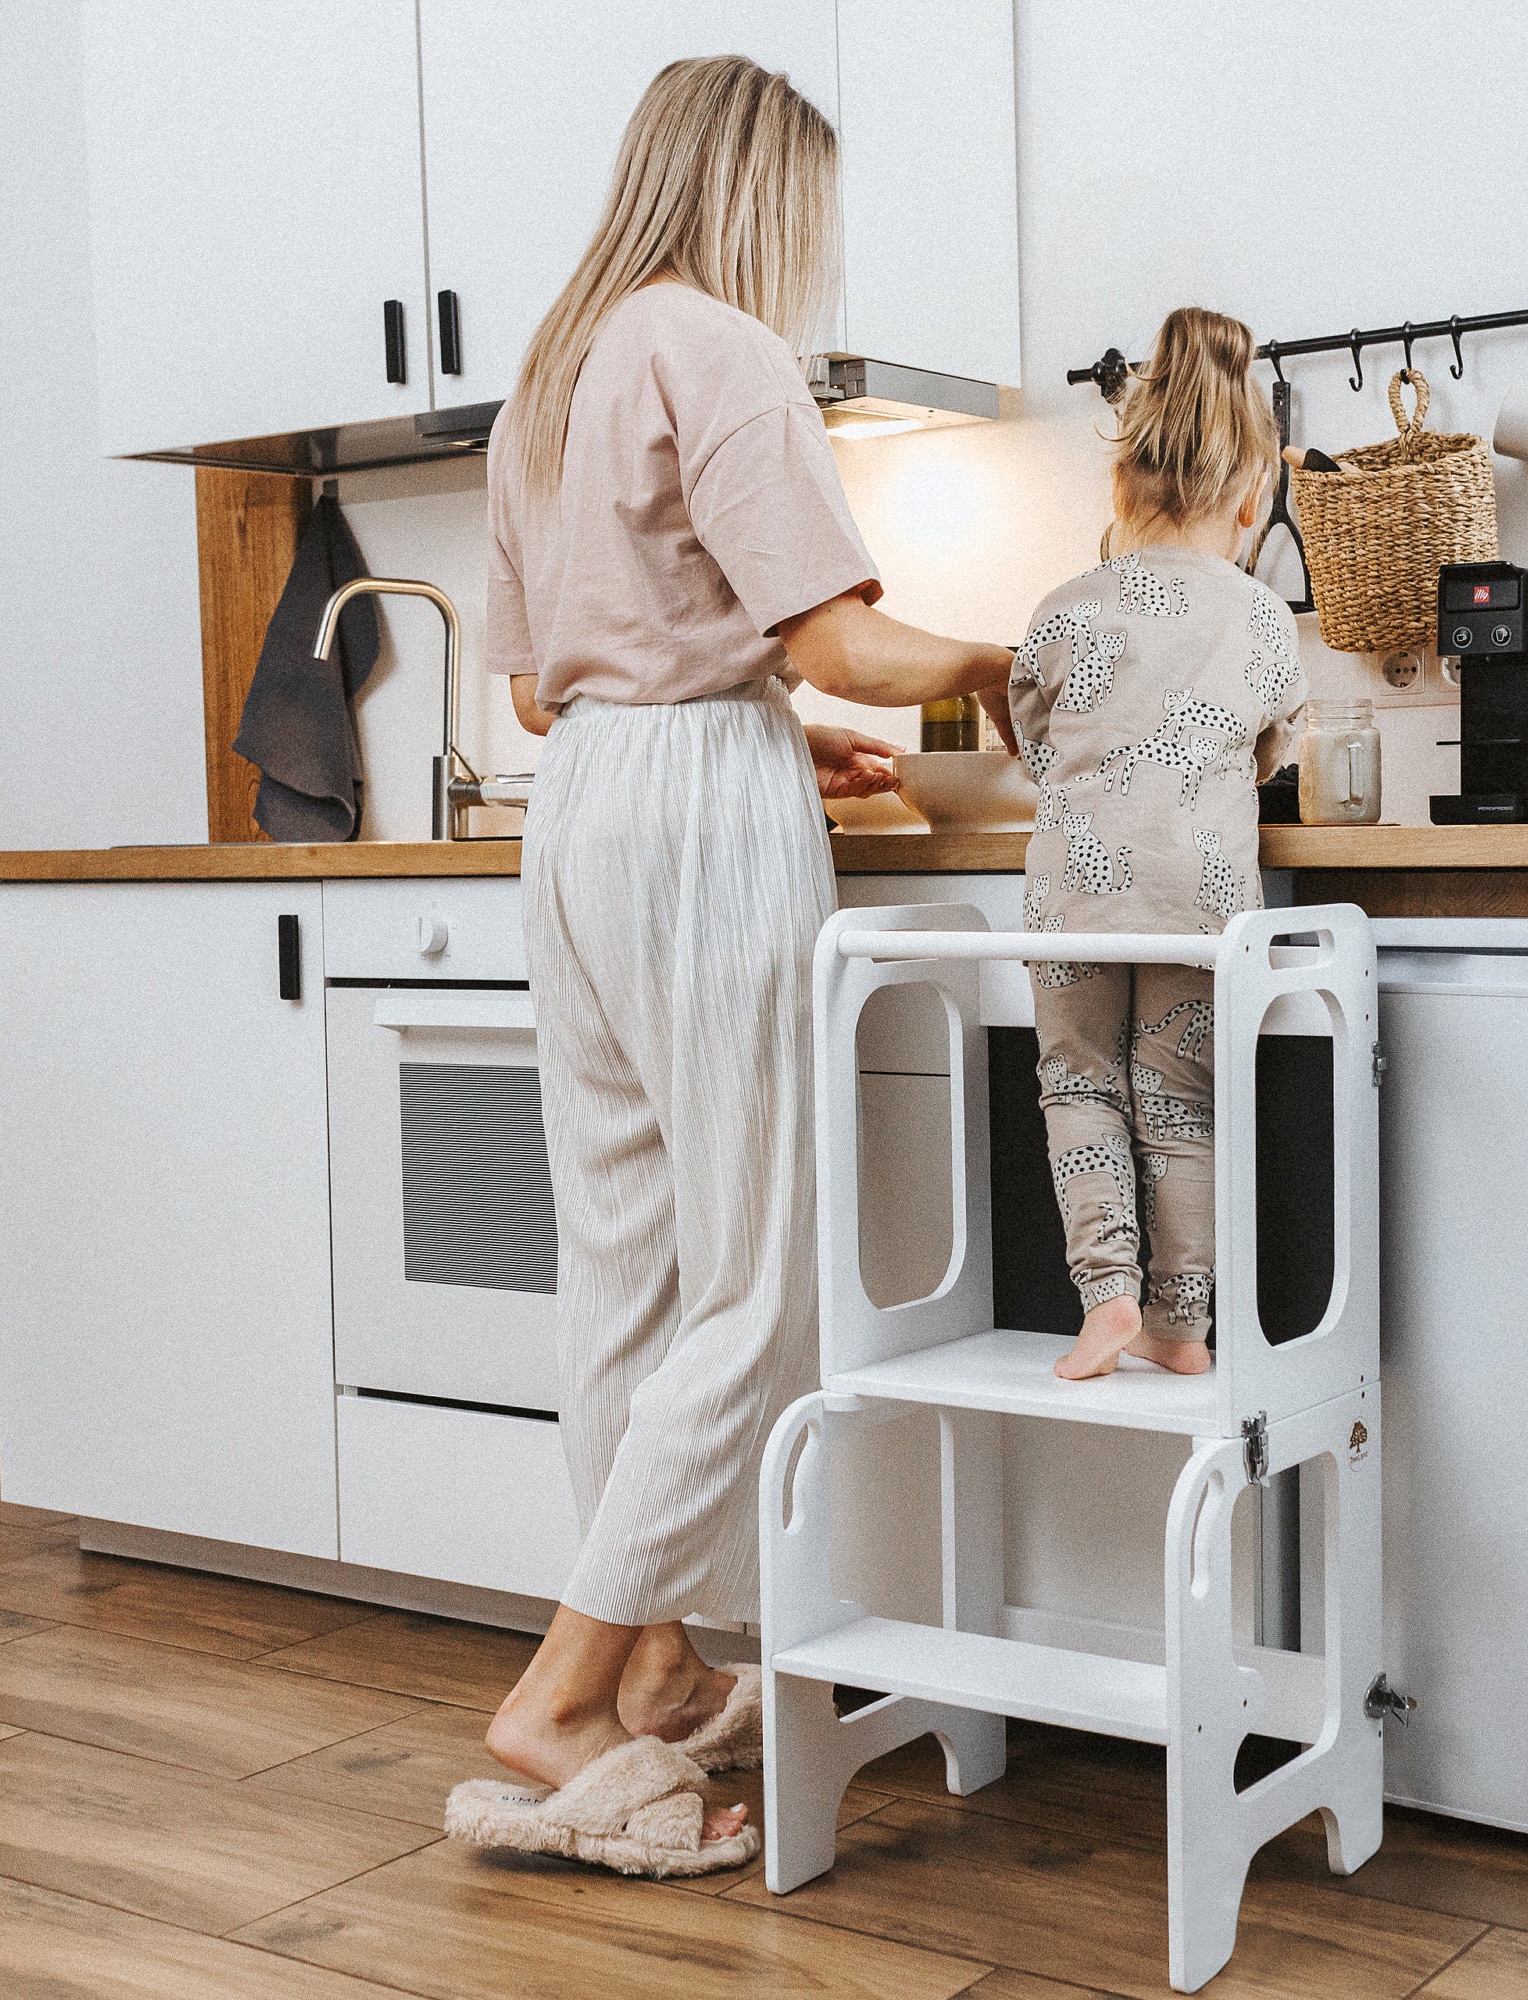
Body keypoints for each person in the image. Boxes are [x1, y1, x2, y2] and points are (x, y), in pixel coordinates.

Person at [442, 54, 1013, 1877]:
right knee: (754, 1285)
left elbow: (541, 688)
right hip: (692, 816)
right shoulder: (725, 348)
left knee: (626, 1268)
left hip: (582, 806)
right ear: (765, 196)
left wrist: (773, 722)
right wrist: (1013, 651)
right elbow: (845, 629)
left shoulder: (548, 378)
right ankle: (558, 1684)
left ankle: (657, 1674)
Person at [1003, 307, 1303, 1383]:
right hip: (1200, 896)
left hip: (1077, 884)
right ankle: (1183, 1324)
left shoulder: (1064, 607)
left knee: (1078, 1079)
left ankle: (1109, 1299)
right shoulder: (1265, 618)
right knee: (1181, 1097)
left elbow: (1033, 736)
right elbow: (1273, 748)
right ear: (1251, 499)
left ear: (1121, 485)